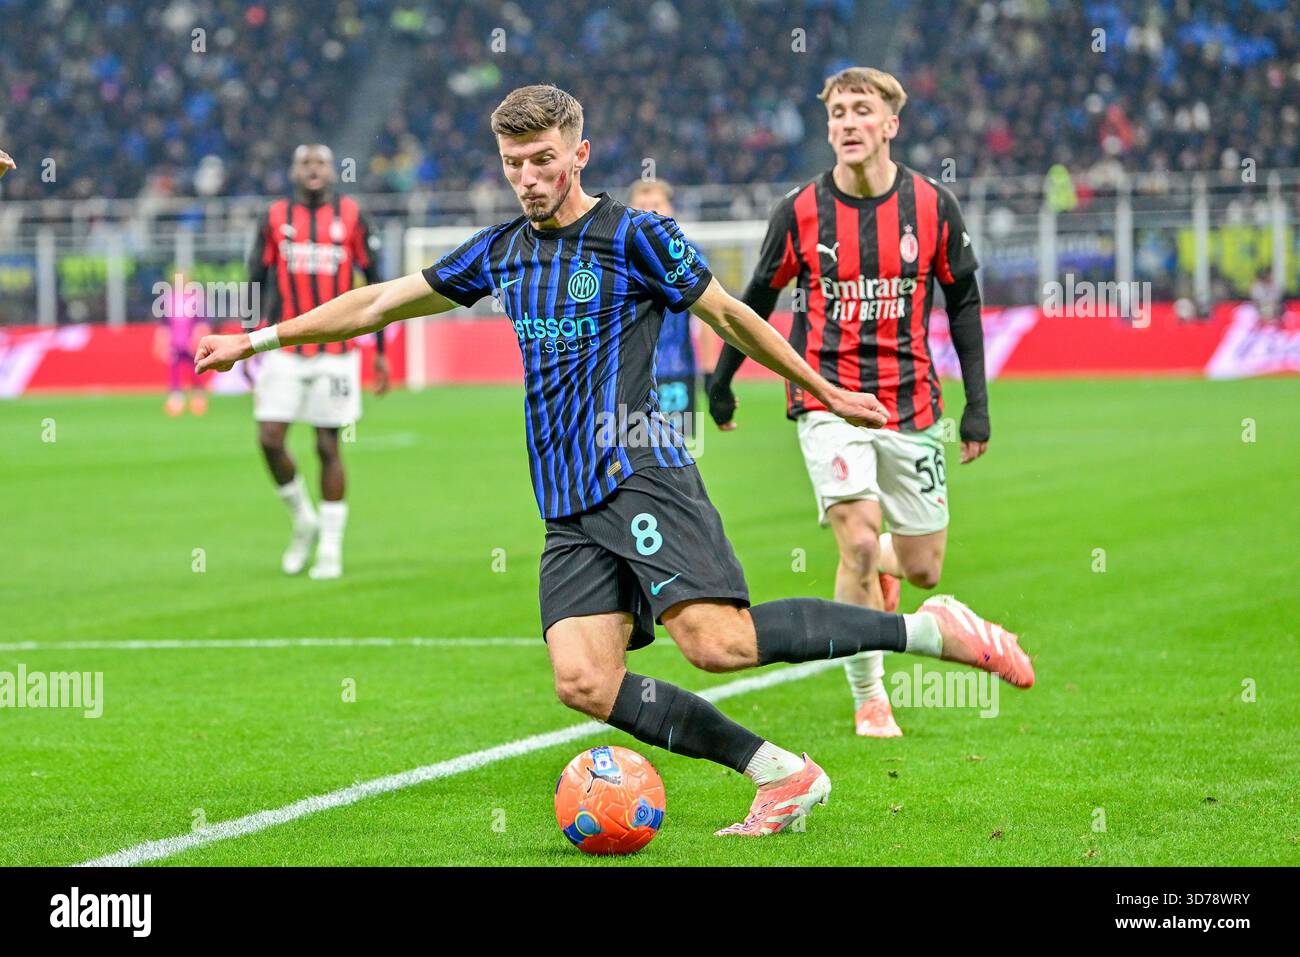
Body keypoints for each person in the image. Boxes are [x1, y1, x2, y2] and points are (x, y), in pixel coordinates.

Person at [197, 85, 1033, 837]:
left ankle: (931, 628)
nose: (527, 177)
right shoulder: (499, 251)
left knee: (717, 643)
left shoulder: (637, 236)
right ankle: (782, 772)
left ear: (579, 155)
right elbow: (377, 302)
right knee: (584, 680)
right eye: (514, 163)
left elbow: (733, 317)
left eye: (543, 160)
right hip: (565, 500)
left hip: (640, 469)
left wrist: (828, 390)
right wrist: (258, 338)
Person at [707, 67, 991, 739]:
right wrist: (720, 379)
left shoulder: (932, 205)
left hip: (912, 404)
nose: (847, 123)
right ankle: (870, 696)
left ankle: (885, 573)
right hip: (827, 398)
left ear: (890, 124)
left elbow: (965, 302)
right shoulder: (800, 210)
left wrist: (977, 406)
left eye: (861, 110)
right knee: (859, 540)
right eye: (836, 112)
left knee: (922, 568)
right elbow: (756, 301)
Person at [245, 144, 389, 579]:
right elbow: (255, 276)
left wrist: (380, 352)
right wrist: (248, 341)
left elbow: (377, 284)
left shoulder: (352, 216)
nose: (313, 170)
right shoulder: (274, 217)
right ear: (294, 171)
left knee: (328, 445)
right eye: (305, 163)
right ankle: (303, 520)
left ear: (332, 172)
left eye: (321, 163)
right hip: (284, 348)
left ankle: (330, 547)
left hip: (337, 352)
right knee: (269, 438)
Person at [628, 178, 697, 441]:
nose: (649, 212)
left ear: (671, 209)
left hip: (676, 371)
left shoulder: (688, 255)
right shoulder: (616, 256)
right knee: (632, 450)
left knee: (681, 450)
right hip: (630, 375)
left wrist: (712, 373)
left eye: (656, 205)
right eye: (642, 205)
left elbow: (707, 320)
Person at [153, 271, 210, 416]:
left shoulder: (195, 297)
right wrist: (162, 339)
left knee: (195, 368)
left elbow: (201, 320)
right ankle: (176, 397)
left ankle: (198, 398)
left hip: (190, 339)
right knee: (174, 369)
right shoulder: (169, 298)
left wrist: (198, 337)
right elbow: (165, 321)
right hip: (175, 340)